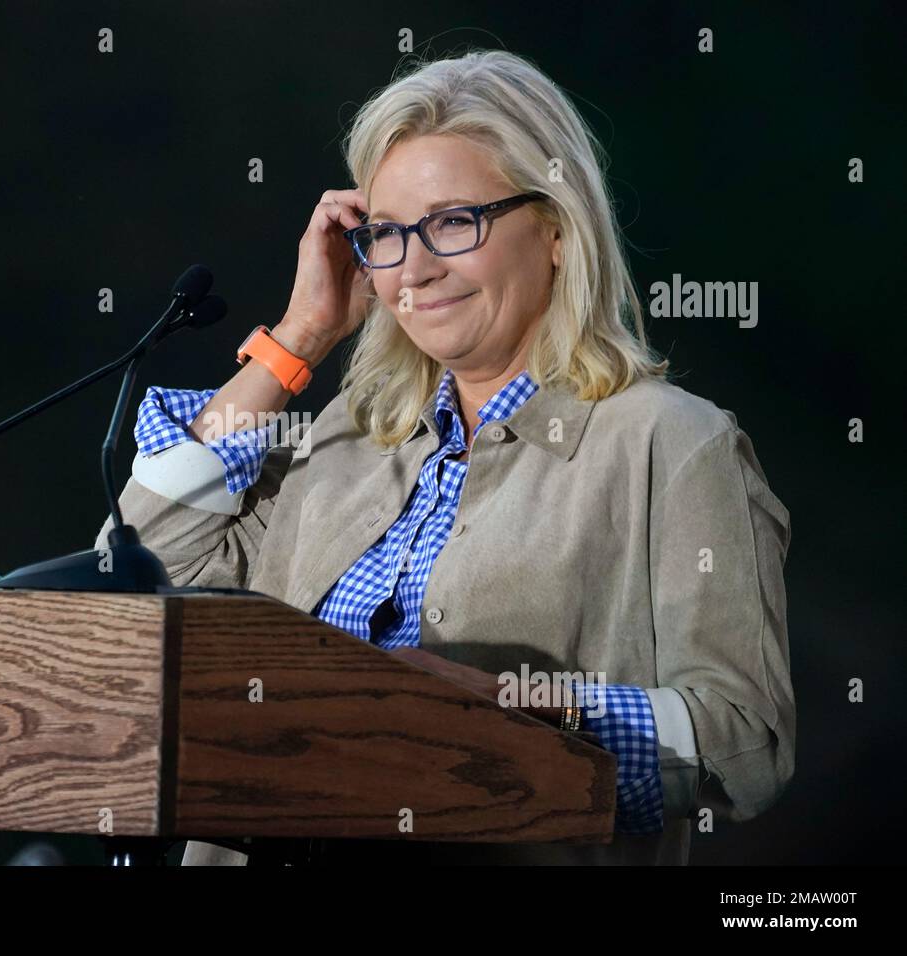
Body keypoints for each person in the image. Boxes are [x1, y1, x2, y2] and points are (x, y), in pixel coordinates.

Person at [95, 48, 794, 865]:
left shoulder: (672, 443)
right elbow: (133, 581)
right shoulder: (345, 441)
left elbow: (747, 745)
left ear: (559, 231)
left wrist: (517, 705)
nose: (414, 271)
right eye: (386, 235)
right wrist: (300, 339)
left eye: (454, 223)